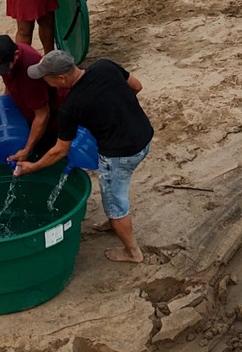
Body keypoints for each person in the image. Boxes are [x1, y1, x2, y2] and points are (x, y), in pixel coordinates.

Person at [13, 50, 154, 264]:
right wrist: (114, 112)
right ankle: (112, 219)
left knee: (116, 204)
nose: (45, 83)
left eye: (46, 79)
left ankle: (132, 252)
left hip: (120, 155)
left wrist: (33, 167)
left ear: (61, 78)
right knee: (113, 193)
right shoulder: (104, 65)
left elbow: (60, 151)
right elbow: (136, 86)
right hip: (144, 136)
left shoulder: (71, 108)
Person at [0, 33, 68, 163]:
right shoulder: (6, 60)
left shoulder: (29, 72)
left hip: (52, 122)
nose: (2, 72)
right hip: (30, 113)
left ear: (16, 55)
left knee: (44, 159)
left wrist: (27, 149)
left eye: (3, 68)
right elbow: (9, 86)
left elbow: (43, 115)